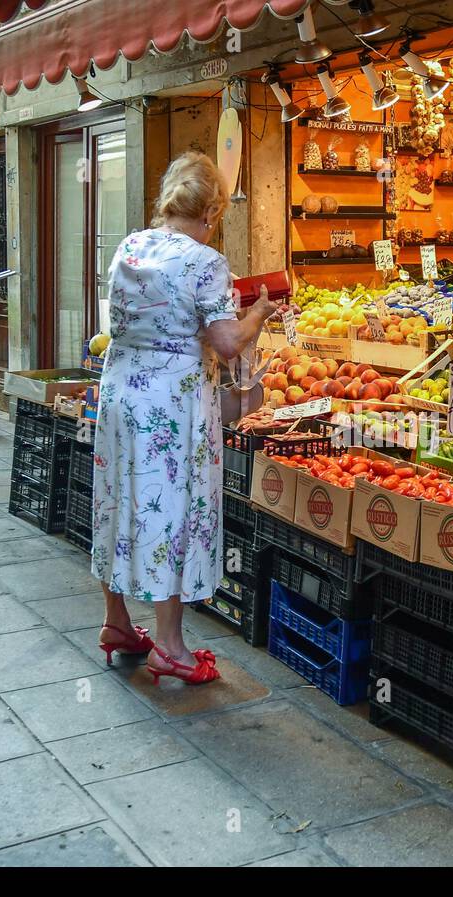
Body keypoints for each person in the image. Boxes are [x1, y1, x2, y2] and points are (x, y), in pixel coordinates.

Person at [90, 152, 278, 686]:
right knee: (166, 508)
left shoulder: (130, 246)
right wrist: (257, 313)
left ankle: (118, 623)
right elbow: (224, 341)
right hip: (171, 404)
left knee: (118, 498)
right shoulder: (205, 261)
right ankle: (170, 646)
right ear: (212, 211)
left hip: (121, 392)